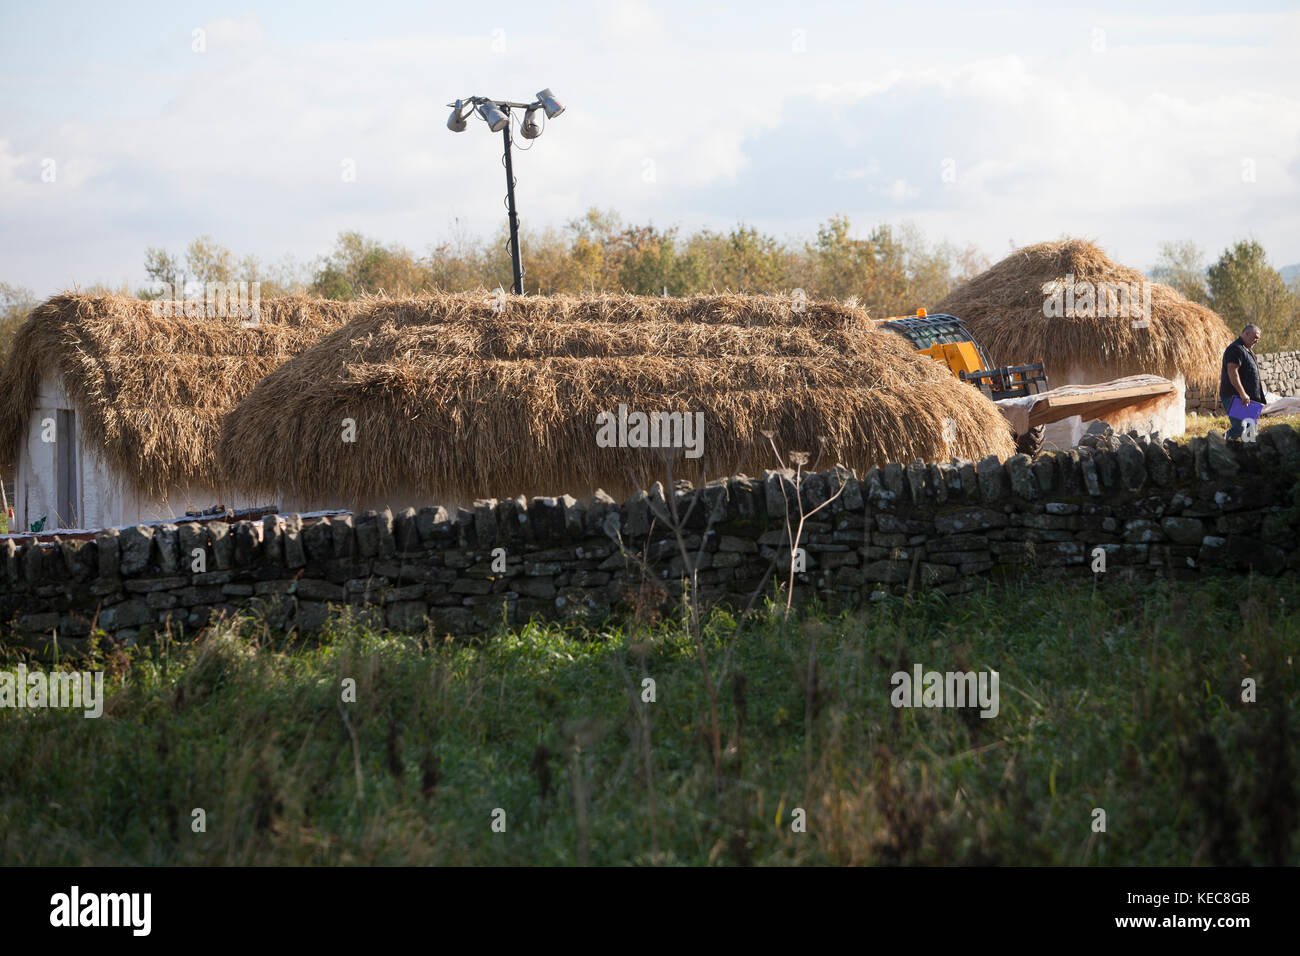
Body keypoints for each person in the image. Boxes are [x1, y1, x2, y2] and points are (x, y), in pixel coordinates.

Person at [1219, 324, 1264, 440]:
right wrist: (1242, 393)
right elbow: (1232, 372)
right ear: (1246, 334)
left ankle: (1250, 456)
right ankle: (1216, 442)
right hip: (1237, 397)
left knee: (1251, 432)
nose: (1257, 341)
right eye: (1255, 337)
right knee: (1240, 429)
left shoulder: (1247, 351)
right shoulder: (1236, 349)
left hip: (1248, 400)